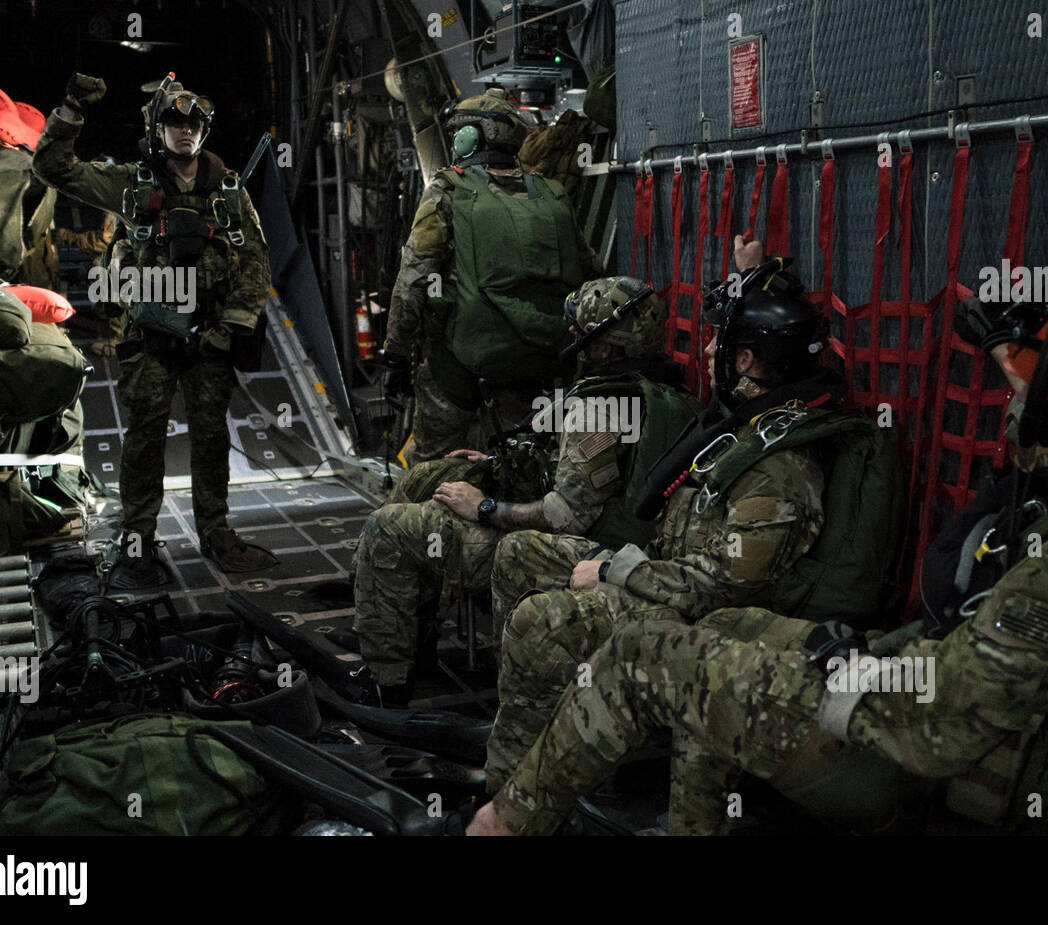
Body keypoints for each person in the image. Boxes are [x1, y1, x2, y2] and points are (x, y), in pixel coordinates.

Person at [468, 283, 1048, 836]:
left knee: (647, 654)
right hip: (931, 699)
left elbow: (945, 722)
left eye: (1028, 392)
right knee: (725, 630)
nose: (1013, 409)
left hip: (923, 757)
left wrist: (837, 675)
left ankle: (503, 822)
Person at [481, 256, 876, 793]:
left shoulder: (780, 465)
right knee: (518, 553)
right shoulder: (745, 426)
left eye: (721, 345)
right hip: (668, 572)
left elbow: (725, 587)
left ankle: (522, 786)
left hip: (709, 614)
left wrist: (614, 571)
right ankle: (546, 725)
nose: (707, 352)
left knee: (541, 622)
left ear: (748, 361)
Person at [352, 277, 698, 705]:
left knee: (389, 526)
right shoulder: (669, 396)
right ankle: (407, 644)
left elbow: (566, 515)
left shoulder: (599, 409)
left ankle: (387, 683)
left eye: (581, 333)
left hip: (575, 552)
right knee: (431, 479)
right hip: (623, 544)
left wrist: (484, 506)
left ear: (607, 348)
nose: (572, 337)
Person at [33, 73, 276, 585]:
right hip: (152, 337)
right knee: (144, 441)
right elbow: (52, 167)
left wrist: (231, 326)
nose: (185, 130)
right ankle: (137, 541)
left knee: (211, 440)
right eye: (174, 120)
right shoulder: (131, 183)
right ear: (156, 126)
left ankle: (217, 533)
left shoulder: (228, 190)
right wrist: (73, 107)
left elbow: (254, 260)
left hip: (211, 336)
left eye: (194, 122)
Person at [380, 87, 600, 466]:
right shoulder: (552, 194)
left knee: (433, 468)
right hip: (537, 365)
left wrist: (396, 355)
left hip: (458, 367)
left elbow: (414, 278)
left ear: (468, 137)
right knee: (522, 466)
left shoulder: (448, 190)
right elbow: (591, 272)